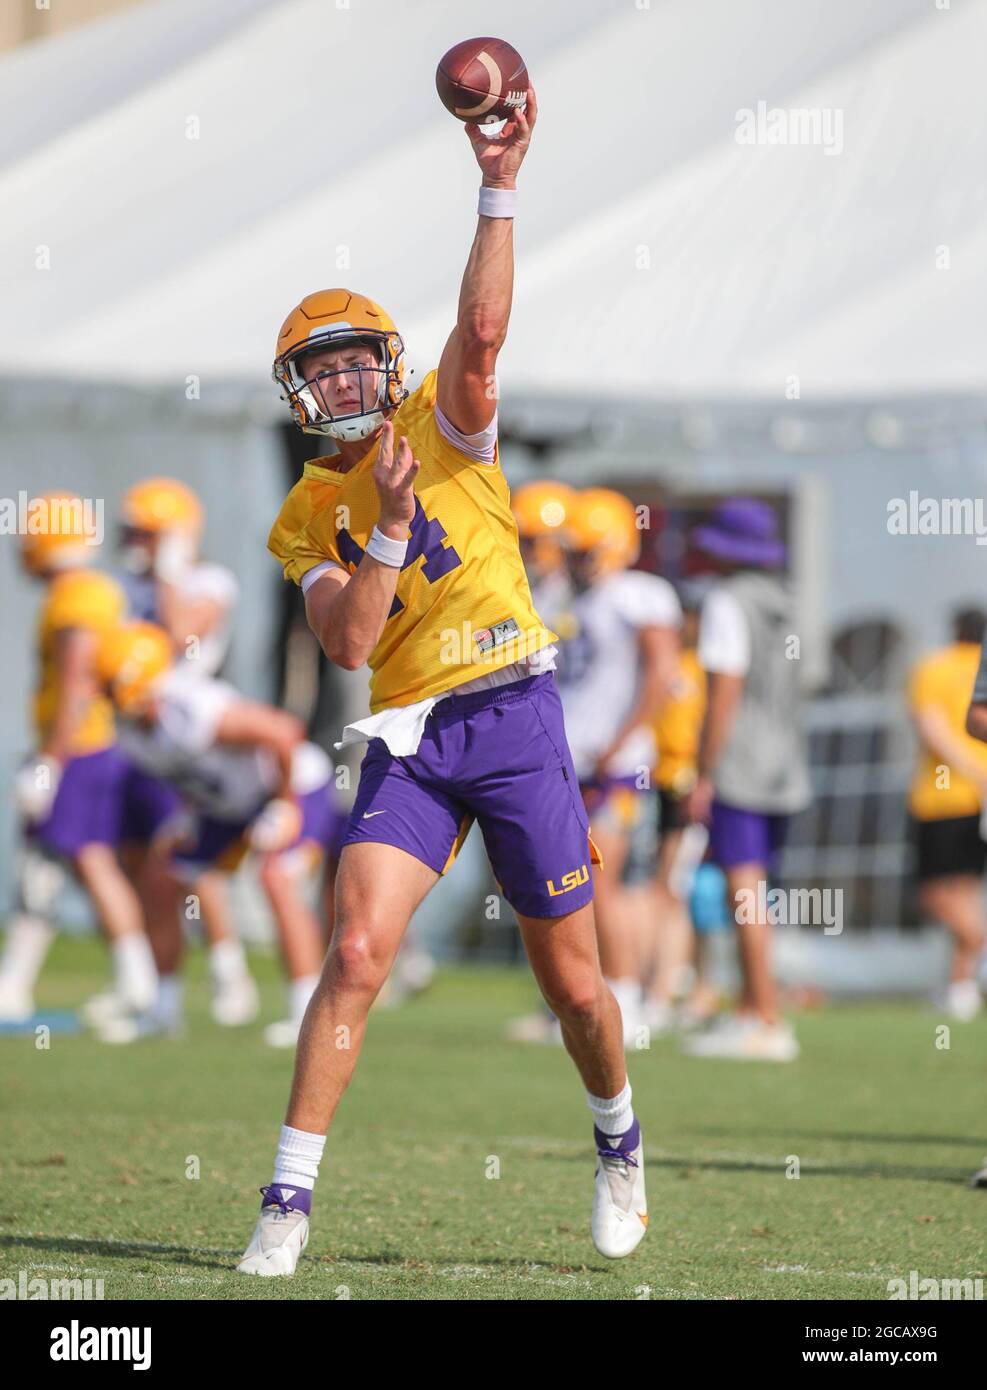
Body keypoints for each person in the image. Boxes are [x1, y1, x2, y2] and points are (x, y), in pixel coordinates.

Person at [240, 87, 647, 1276]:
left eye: (362, 359)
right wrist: (387, 525)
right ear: (304, 393)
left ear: (388, 364)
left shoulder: (446, 417)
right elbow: (354, 645)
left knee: (574, 986)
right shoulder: (308, 512)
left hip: (513, 709)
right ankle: (287, 1197)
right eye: (329, 370)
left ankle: (619, 1138)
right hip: (412, 731)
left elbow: (480, 332)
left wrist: (499, 182)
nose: (354, 383)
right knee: (356, 952)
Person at [95, 621, 345, 1046]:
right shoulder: (129, 728)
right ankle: (163, 1010)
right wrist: (190, 814)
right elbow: (188, 770)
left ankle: (306, 1014)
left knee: (276, 877)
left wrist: (284, 805)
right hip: (226, 806)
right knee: (160, 877)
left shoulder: (191, 707)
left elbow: (284, 733)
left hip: (290, 784)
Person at [104, 477, 258, 1032]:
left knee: (189, 863)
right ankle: (154, 990)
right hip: (140, 733)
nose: (134, 542)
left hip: (193, 731)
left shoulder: (207, 579)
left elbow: (176, 634)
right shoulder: (126, 582)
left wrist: (169, 569)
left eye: (147, 533)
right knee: (142, 866)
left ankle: (227, 970)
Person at [0, 494, 160, 1026]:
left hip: (80, 750)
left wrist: (49, 761)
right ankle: (15, 983)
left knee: (89, 861)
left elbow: (75, 684)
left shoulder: (77, 595)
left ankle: (137, 982)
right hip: (84, 747)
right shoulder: (82, 590)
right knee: (47, 864)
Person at [681, 498, 810, 1062]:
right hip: (786, 763)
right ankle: (749, 1007)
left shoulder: (727, 603)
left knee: (745, 895)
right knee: (760, 896)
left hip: (741, 765)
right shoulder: (787, 601)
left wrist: (703, 772)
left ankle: (765, 1017)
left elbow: (723, 695)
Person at [907, 607, 987, 1020]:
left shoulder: (933, 667)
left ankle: (976, 945)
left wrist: (974, 772)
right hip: (978, 800)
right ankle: (960, 988)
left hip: (943, 798)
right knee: (965, 891)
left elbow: (932, 727)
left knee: (935, 893)